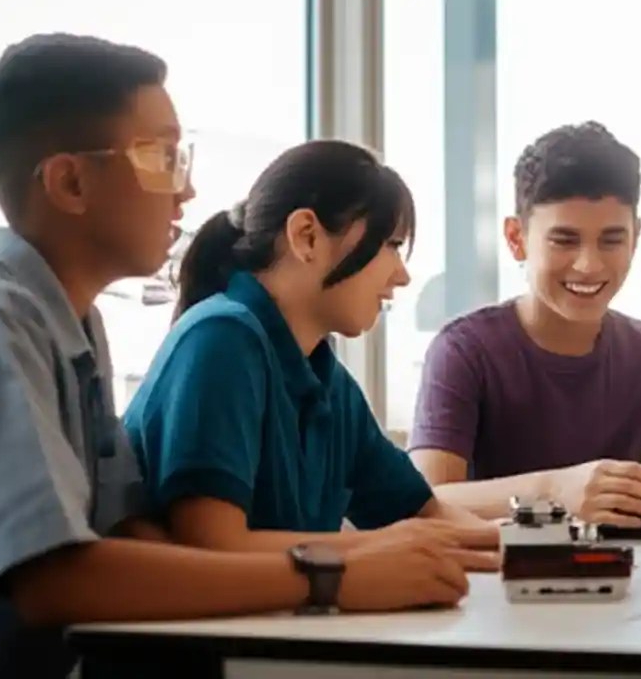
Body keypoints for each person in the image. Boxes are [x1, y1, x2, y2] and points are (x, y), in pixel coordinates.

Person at [0, 34, 479, 679]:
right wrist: (335, 575)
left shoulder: (76, 325)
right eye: (162, 156)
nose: (185, 192)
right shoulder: (2, 321)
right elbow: (54, 576)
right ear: (70, 182)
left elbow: (133, 532)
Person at [123, 139, 498, 563]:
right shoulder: (221, 339)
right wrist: (384, 546)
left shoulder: (326, 378)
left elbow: (427, 515)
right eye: (391, 244)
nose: (403, 276)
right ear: (306, 237)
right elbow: (214, 546)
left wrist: (538, 550)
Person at [407, 121, 641, 530]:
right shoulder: (464, 350)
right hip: (494, 585)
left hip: (622, 586)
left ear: (636, 237)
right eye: (564, 240)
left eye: (612, 240)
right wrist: (554, 490)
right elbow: (426, 503)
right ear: (517, 238)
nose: (589, 265)